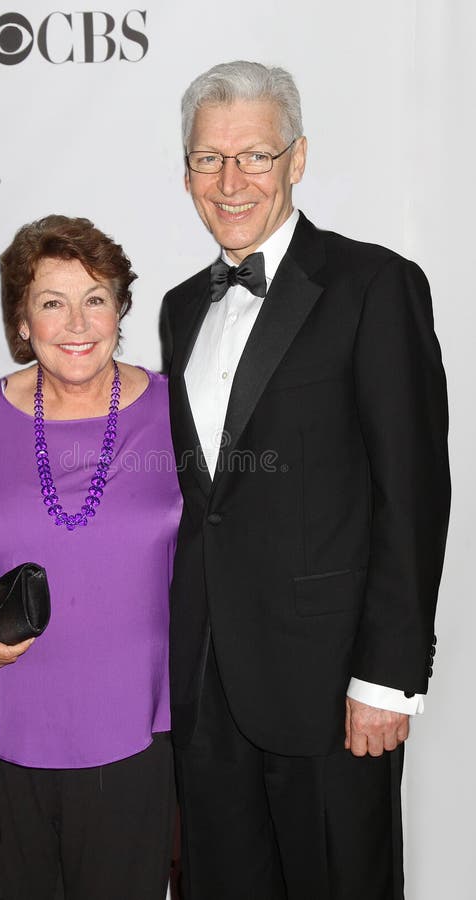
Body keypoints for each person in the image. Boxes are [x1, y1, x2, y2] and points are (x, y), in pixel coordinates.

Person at [158, 61, 450, 899]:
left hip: (330, 688)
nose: (231, 181)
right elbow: (188, 493)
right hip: (205, 685)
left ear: (298, 158)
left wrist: (389, 676)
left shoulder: (373, 285)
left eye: (255, 155)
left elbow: (412, 493)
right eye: (208, 159)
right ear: (186, 171)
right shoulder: (181, 307)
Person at [0, 215, 181, 900]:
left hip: (140, 743)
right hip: (1, 743)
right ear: (22, 322)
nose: (77, 324)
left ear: (120, 311)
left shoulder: (180, 415)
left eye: (96, 299)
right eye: (53, 302)